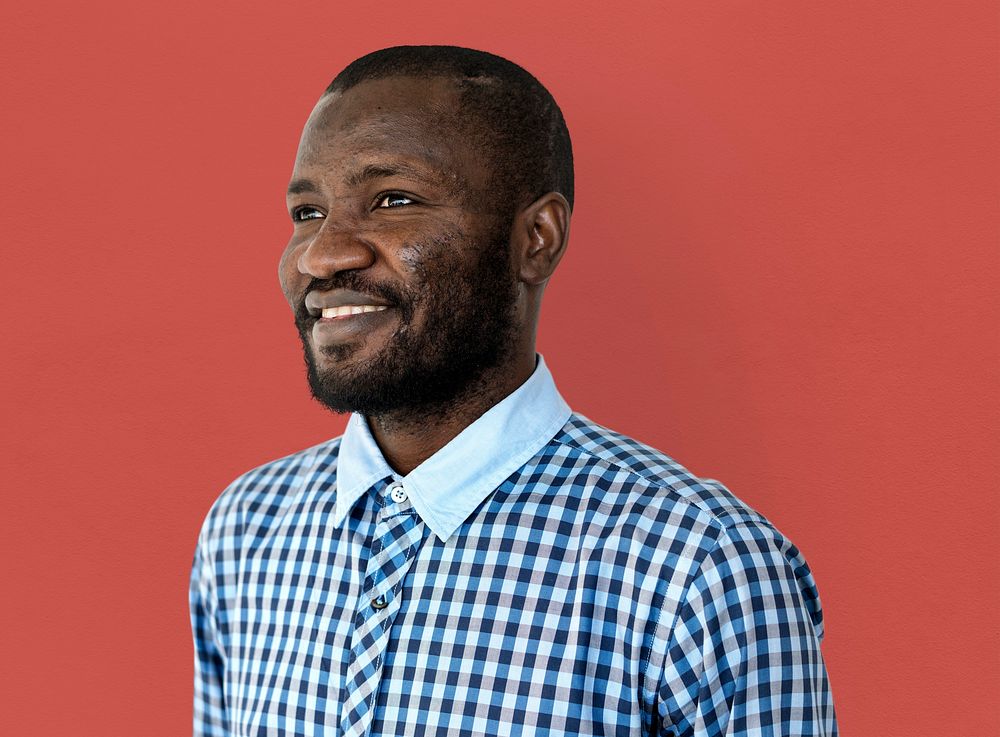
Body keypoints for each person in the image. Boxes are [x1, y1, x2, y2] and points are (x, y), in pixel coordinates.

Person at [189, 45, 837, 737]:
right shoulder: (244, 531)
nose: (322, 255)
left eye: (393, 200)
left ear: (536, 238)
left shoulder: (701, 565)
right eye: (307, 212)